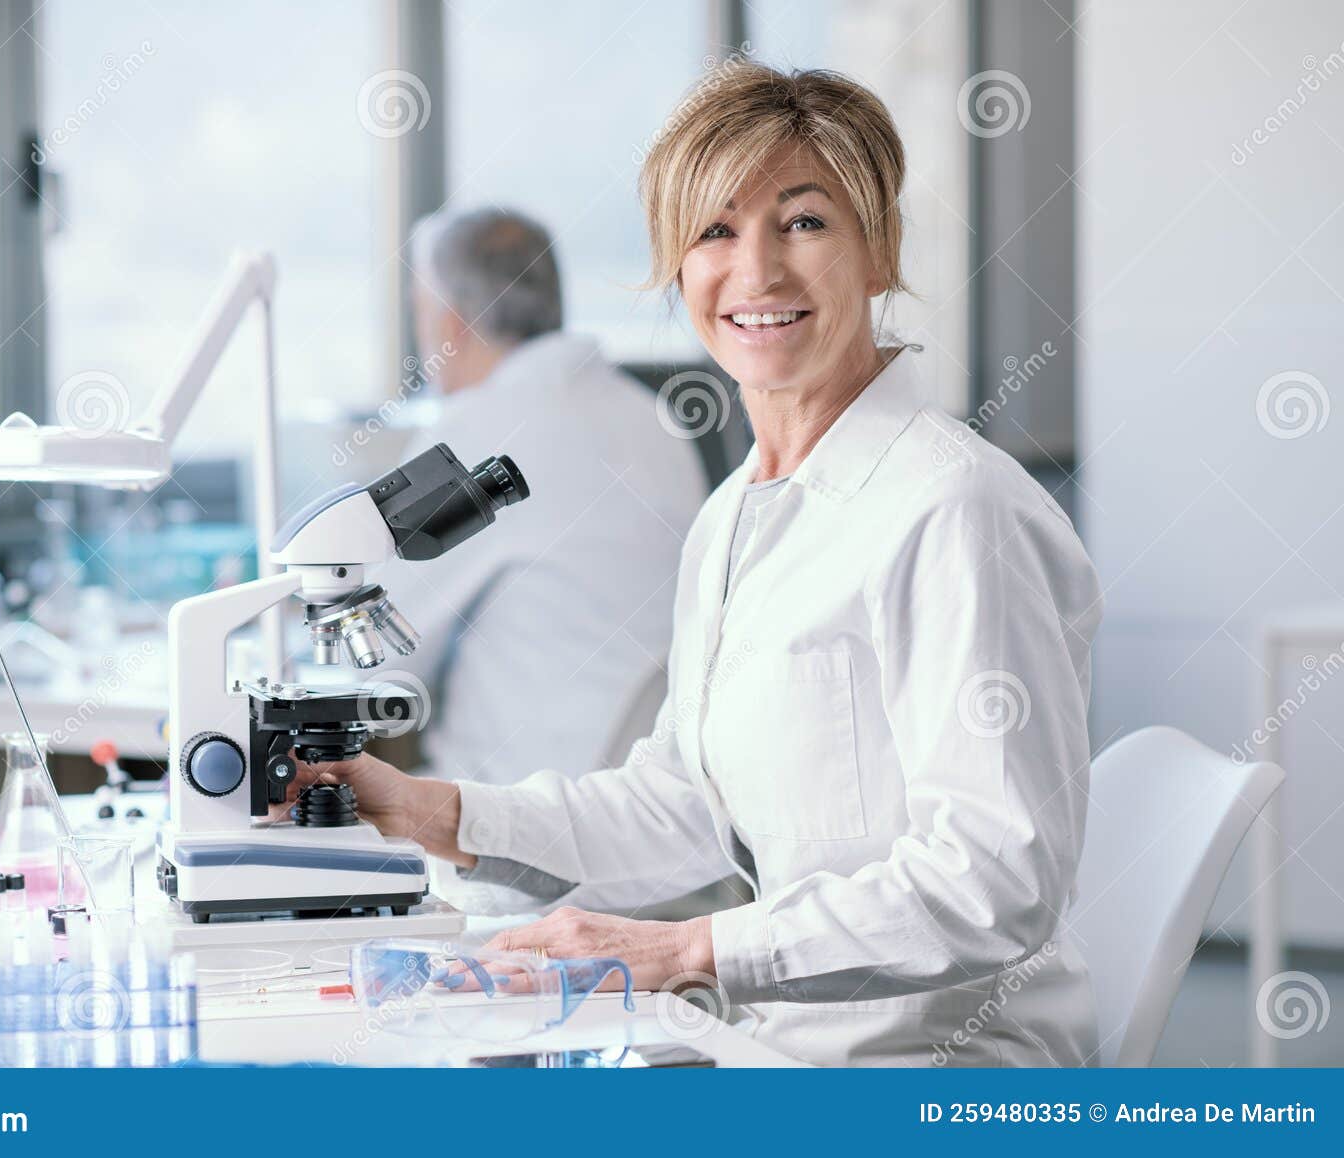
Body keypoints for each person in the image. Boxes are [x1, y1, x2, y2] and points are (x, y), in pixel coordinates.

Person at [284, 67, 1103, 1067]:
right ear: (677, 265)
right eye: (715, 231)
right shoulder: (736, 515)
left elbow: (995, 880)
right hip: (782, 1045)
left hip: (934, 1071)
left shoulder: (953, 508)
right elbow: (681, 806)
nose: (757, 272)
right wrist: (430, 812)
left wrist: (686, 950)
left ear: (880, 250)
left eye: (803, 222)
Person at [377, 208, 709, 806]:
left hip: (513, 814)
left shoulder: (467, 434)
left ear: (450, 326)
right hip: (654, 810)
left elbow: (377, 662)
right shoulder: (652, 419)